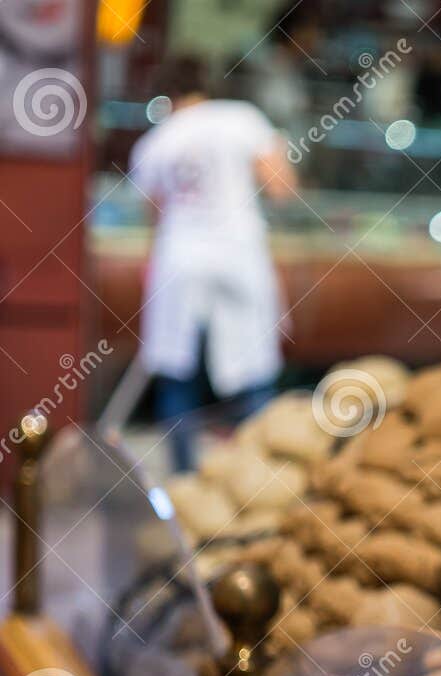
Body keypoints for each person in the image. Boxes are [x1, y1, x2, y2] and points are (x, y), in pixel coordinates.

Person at [130, 56, 297, 470]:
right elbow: (281, 187)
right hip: (238, 256)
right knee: (251, 373)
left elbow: (153, 213)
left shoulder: (154, 142)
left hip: (178, 261)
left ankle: (185, 479)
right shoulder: (241, 119)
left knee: (178, 375)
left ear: (167, 95)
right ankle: (257, 475)